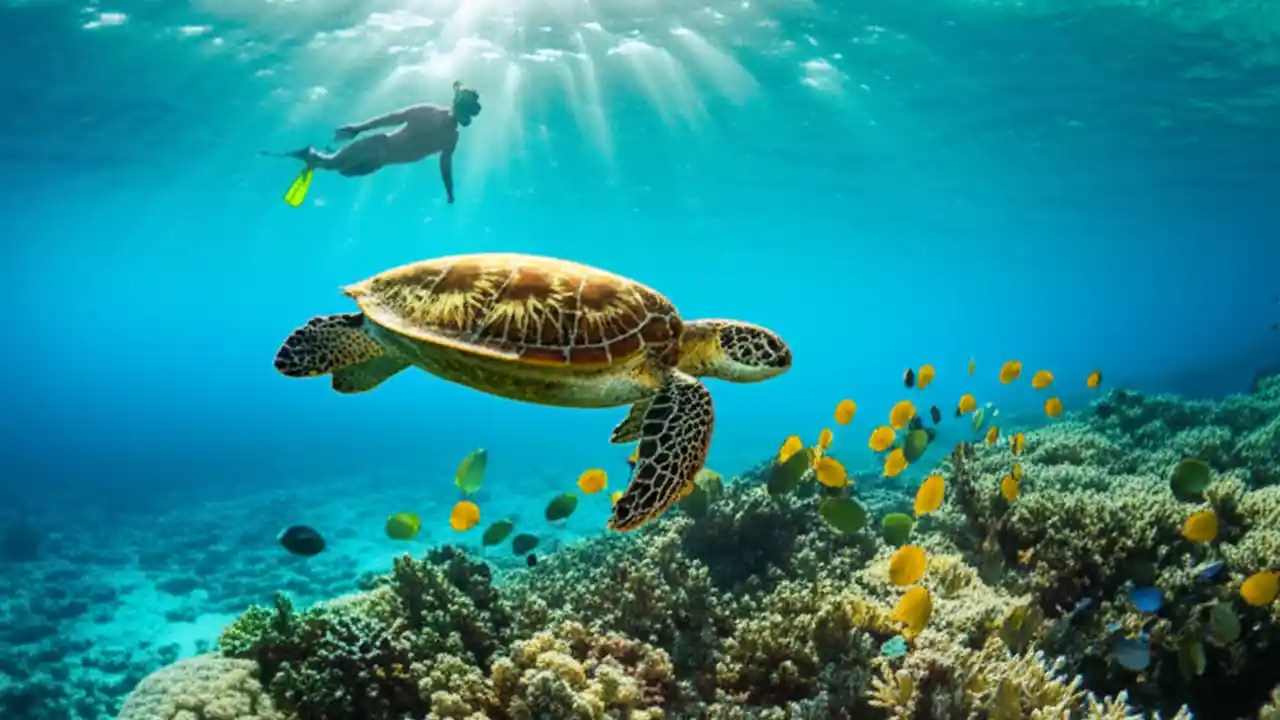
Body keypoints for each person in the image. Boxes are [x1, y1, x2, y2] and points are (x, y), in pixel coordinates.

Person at [269, 81, 482, 206]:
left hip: (381, 162)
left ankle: (316, 158)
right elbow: (390, 118)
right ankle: (310, 155)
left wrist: (449, 191)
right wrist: (357, 128)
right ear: (456, 104)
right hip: (379, 146)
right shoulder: (427, 111)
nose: (461, 120)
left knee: (343, 171)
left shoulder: (451, 137)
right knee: (333, 164)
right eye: (463, 111)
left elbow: (446, 166)